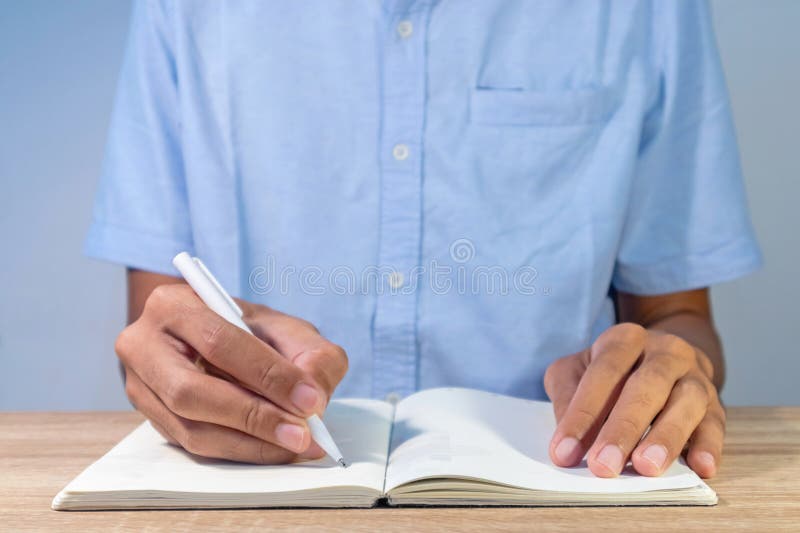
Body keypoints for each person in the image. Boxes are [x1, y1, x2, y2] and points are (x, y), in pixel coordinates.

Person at [86, 0, 761, 479]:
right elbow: (157, 327)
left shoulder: (650, 9)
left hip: (563, 483)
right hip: (267, 491)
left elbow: (677, 319)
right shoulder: (184, 10)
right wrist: (177, 359)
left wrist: (665, 369)